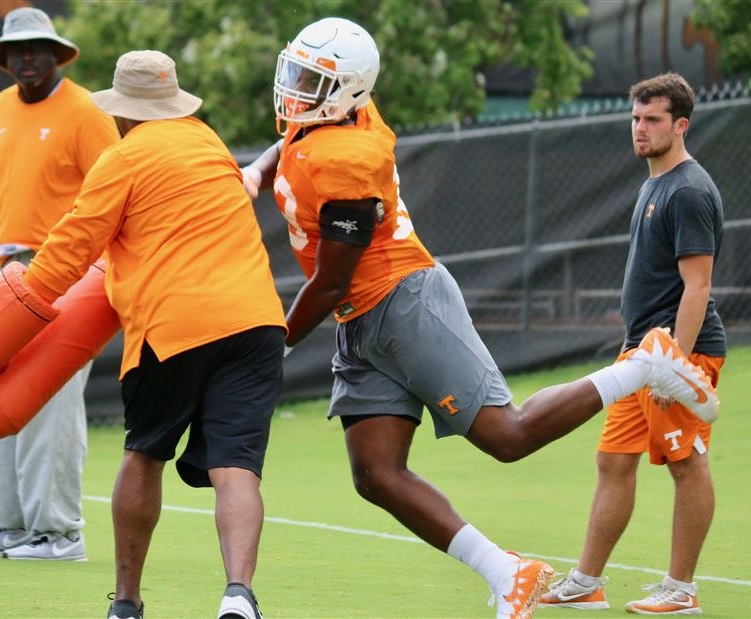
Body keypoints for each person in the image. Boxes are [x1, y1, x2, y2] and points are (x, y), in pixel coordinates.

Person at [240, 19, 719, 619]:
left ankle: (644, 363)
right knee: (375, 472)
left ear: (348, 92)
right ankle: (508, 573)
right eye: (298, 72)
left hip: (400, 299)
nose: (294, 88)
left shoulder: (346, 159)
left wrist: (275, 342)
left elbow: (331, 278)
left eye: (312, 80)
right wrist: (257, 171)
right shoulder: (340, 118)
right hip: (359, 318)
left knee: (507, 436)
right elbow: (296, 140)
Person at [19, 50, 287, 619]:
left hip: (174, 327)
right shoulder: (208, 141)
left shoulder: (123, 158)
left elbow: (73, 245)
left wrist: (20, 312)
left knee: (145, 454)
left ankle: (126, 602)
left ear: (122, 110)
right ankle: (239, 593)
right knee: (236, 465)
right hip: (257, 320)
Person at [537, 72, 726, 615]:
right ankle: (587, 582)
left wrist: (678, 366)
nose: (640, 129)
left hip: (676, 355)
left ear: (681, 125)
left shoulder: (688, 189)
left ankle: (682, 589)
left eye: (653, 120)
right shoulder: (654, 183)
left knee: (686, 462)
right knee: (612, 461)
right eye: (636, 119)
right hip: (640, 353)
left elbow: (699, 285)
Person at [0, 7, 119, 561]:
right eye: (15, 50)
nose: (25, 58)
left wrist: (97, 280)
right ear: (4, 60)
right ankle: (11, 527)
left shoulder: (87, 113)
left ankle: (60, 533)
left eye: (35, 48)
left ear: (56, 54)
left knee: (50, 405)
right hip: (3, 280)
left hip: (67, 283)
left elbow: (113, 202)